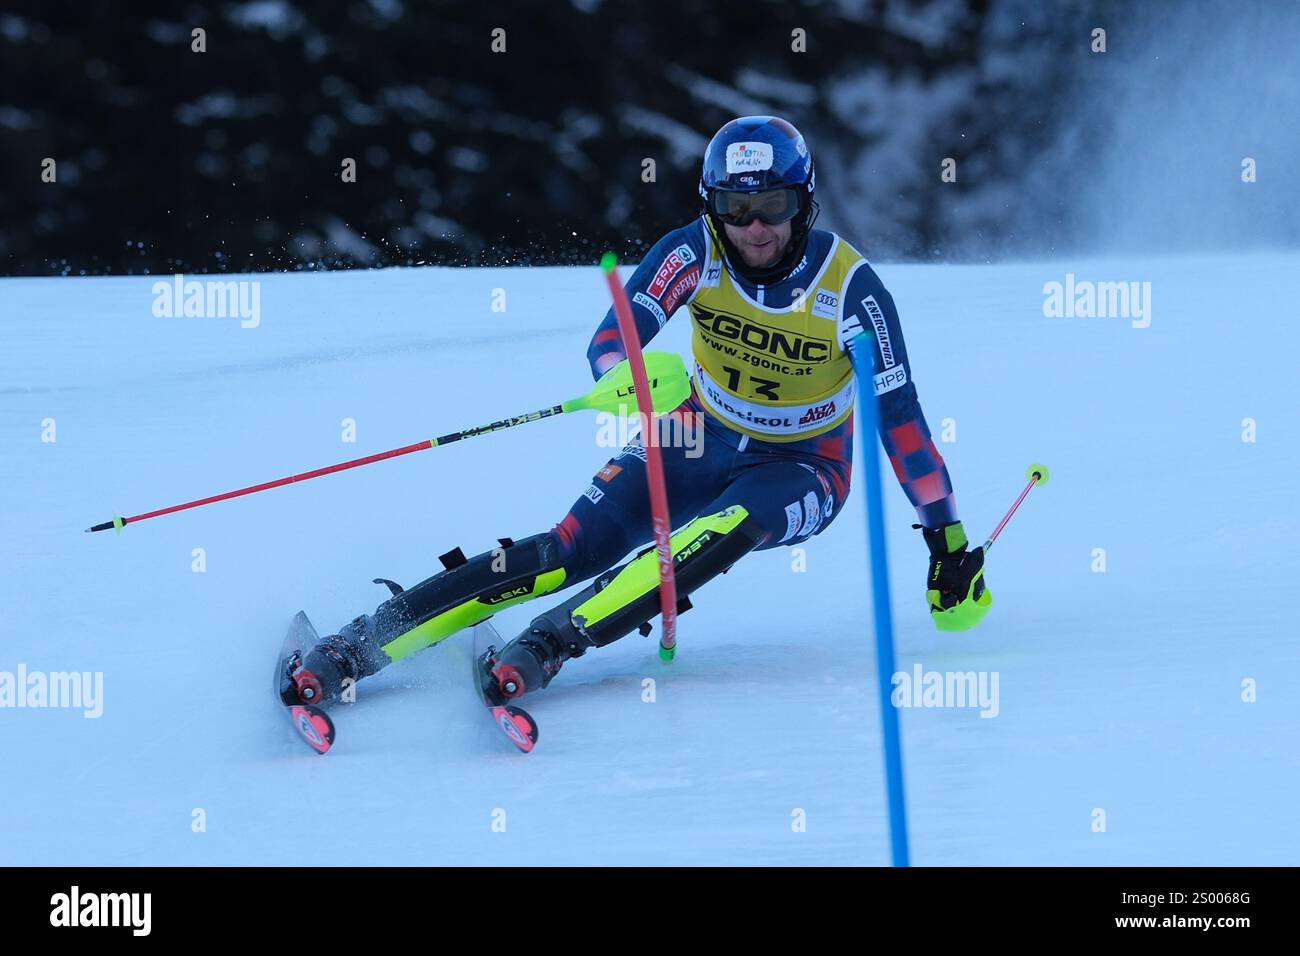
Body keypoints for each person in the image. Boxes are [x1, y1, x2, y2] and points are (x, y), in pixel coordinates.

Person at [281, 115, 990, 710]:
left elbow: (902, 424)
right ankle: (358, 644)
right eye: (734, 209)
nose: (753, 229)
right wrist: (627, 380)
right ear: (712, 205)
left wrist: (946, 541)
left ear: (803, 201)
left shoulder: (852, 289)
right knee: (569, 546)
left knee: (721, 529)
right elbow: (612, 338)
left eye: (771, 206)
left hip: (805, 466)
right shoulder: (696, 250)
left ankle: (549, 643)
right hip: (697, 428)